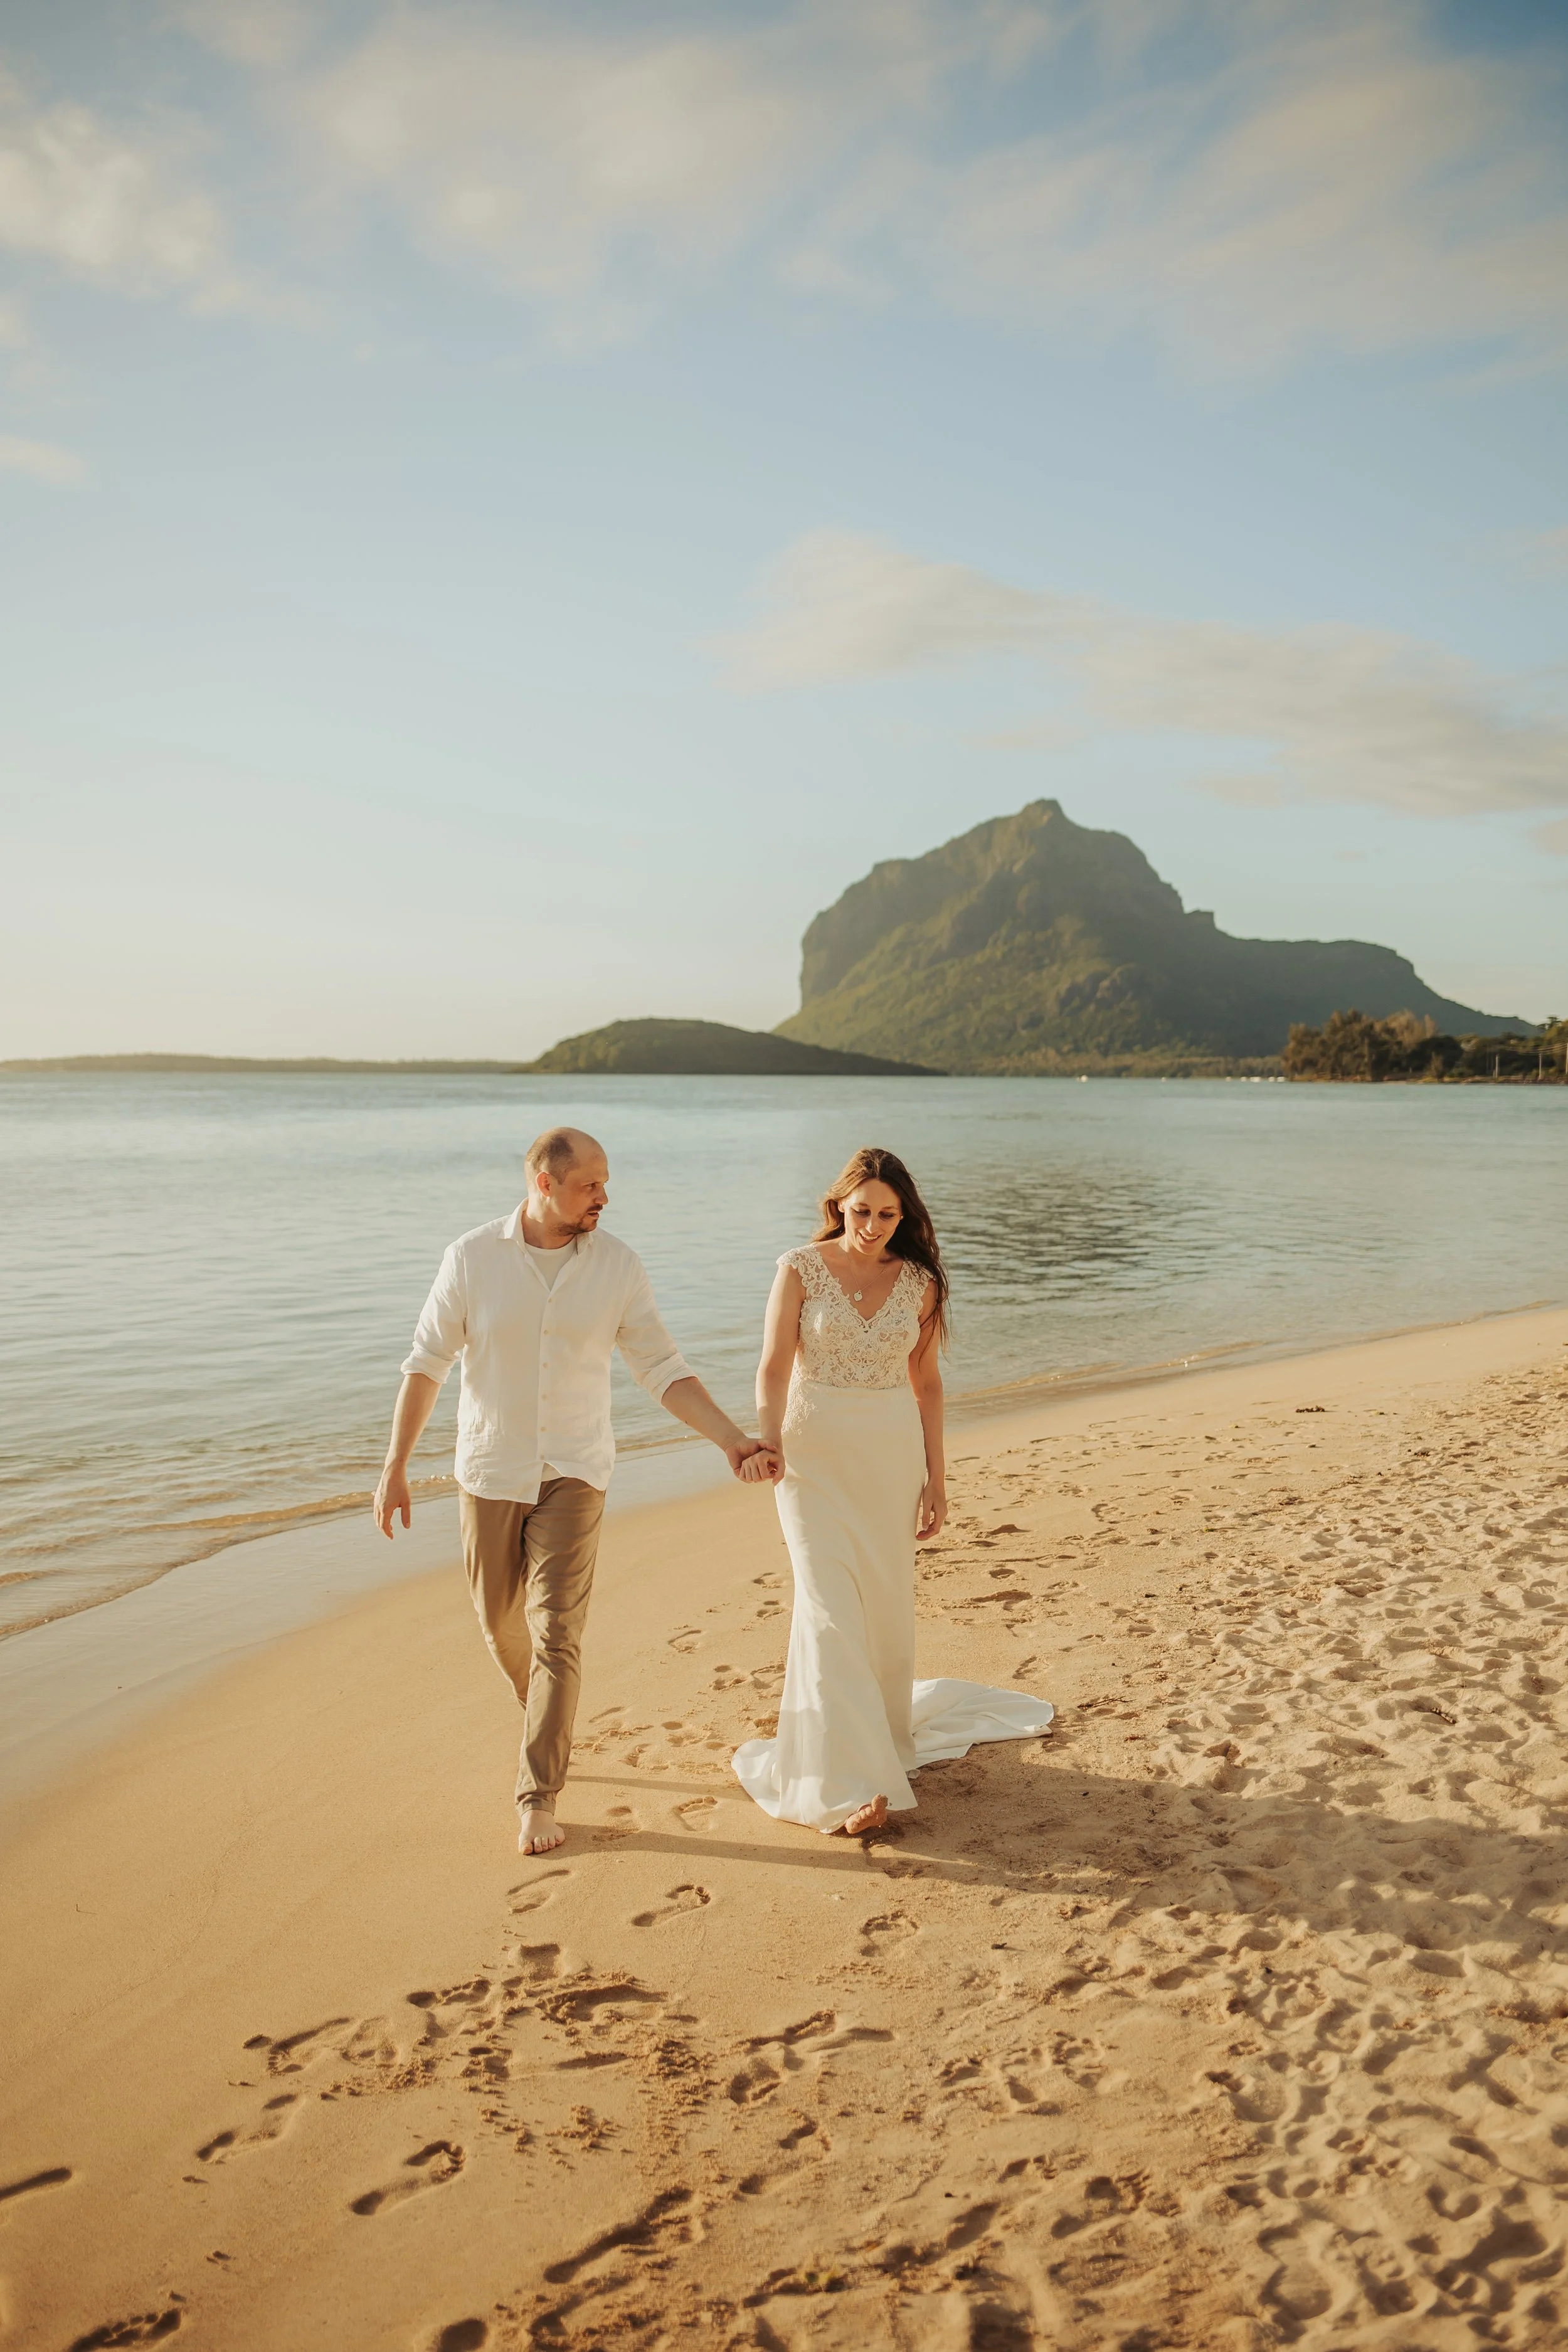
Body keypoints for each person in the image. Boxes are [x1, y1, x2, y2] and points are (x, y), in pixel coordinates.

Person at [374, 1126, 776, 1856]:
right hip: (490, 1470)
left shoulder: (617, 1266)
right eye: (590, 1184)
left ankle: (538, 1794)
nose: (604, 1195)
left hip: (577, 1471)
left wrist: (733, 1439)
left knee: (558, 1632)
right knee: (500, 1623)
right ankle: (546, 1715)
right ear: (544, 1185)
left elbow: (662, 1368)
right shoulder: (470, 1258)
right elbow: (426, 1363)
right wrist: (395, 1465)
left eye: (605, 1180)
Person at [734, 1146, 1053, 1835]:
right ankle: (845, 1784)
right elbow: (770, 1368)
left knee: (880, 1606)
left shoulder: (920, 1283)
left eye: (885, 1214)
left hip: (888, 1457)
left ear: (903, 1215)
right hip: (810, 1459)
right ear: (837, 1207)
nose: (871, 1225)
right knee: (826, 1607)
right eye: (860, 1212)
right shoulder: (798, 1268)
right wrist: (768, 1442)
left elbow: (927, 1383)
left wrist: (938, 1478)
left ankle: (874, 1743)